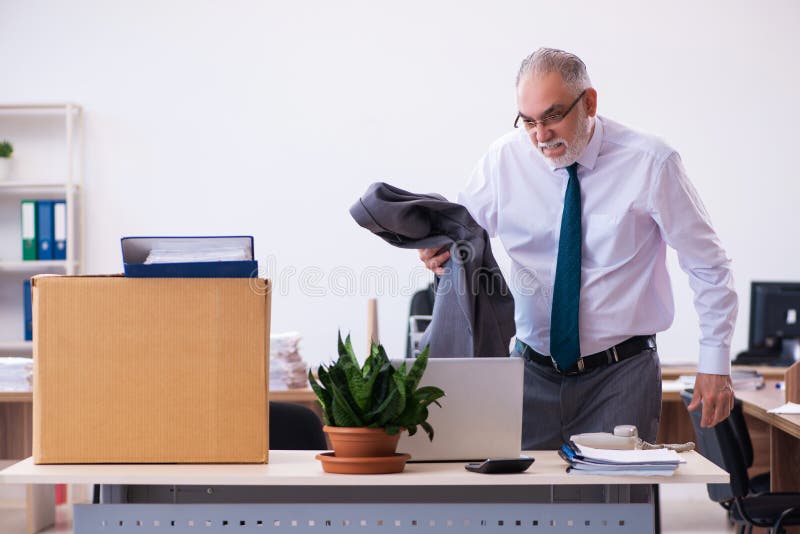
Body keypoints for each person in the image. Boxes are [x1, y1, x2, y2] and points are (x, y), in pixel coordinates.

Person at [418, 48, 737, 449]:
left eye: (552, 116)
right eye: (528, 121)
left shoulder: (651, 162)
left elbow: (708, 264)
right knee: (520, 507)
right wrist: (438, 251)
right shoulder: (505, 159)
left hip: (621, 376)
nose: (540, 135)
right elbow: (462, 237)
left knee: (614, 507)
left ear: (589, 102)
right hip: (529, 374)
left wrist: (715, 362)